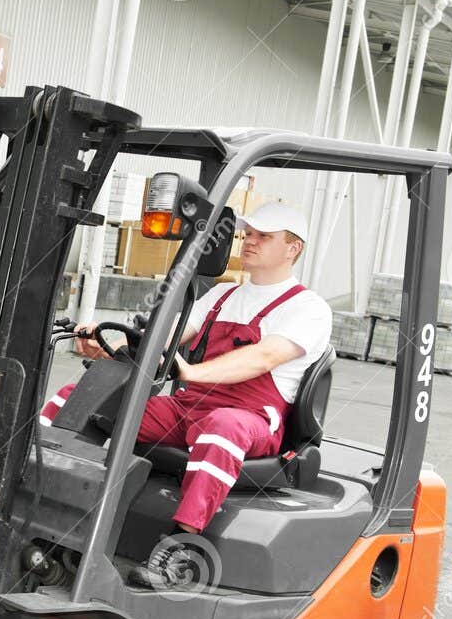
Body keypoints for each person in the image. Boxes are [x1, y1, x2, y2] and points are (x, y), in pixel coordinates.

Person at [40, 201, 332, 589]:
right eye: (249, 234)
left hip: (252, 419)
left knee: (220, 428)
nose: (250, 241)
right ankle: (39, 492)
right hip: (188, 408)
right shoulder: (222, 295)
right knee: (80, 396)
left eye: (264, 236)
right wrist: (109, 344)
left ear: (293, 248)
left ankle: (181, 547)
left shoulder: (308, 308)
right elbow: (166, 339)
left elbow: (264, 357)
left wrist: (192, 371)